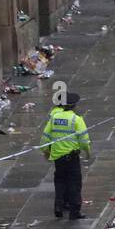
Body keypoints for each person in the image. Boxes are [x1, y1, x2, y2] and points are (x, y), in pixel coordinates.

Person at [41, 92, 91, 220]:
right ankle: (75, 212)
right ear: (74, 106)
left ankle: (58, 207)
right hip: (72, 157)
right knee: (74, 184)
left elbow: (45, 136)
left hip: (58, 157)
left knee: (60, 182)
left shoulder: (54, 118)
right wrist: (87, 152)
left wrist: (45, 151)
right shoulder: (77, 119)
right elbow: (84, 140)